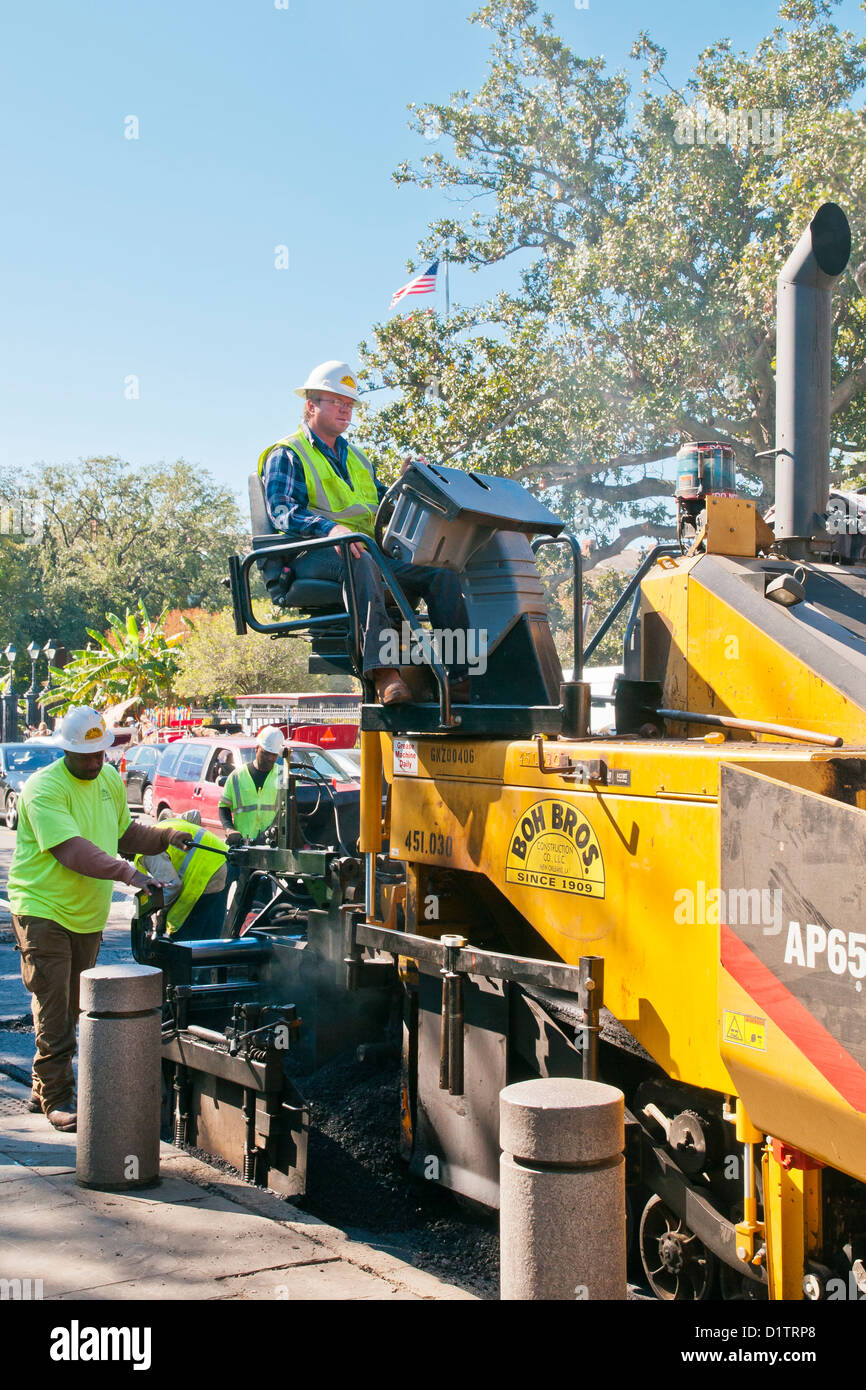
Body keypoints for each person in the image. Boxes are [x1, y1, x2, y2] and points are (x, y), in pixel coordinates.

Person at [7, 706, 193, 1132]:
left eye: (100, 754)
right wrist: (131, 874)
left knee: (74, 1005)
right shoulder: (43, 788)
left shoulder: (108, 778)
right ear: (67, 750)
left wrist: (166, 835)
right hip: (42, 909)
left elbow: (124, 834)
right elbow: (72, 850)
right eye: (86, 756)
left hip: (87, 914)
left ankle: (42, 1086)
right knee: (56, 1008)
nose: (95, 762)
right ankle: (56, 1098)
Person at [259, 360, 470, 705]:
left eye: (349, 403)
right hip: (311, 555)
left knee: (440, 574)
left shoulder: (357, 458)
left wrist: (407, 483)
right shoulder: (288, 453)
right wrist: (330, 530)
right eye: (336, 401)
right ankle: (384, 671)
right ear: (311, 406)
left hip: (364, 548)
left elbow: (383, 504)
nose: (346, 409)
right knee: (358, 555)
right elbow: (283, 512)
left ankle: (460, 676)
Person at [134, 810, 230, 940]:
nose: (122, 857)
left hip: (208, 872)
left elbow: (172, 886)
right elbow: (193, 815)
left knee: (187, 939)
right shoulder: (158, 828)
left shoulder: (146, 850)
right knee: (209, 935)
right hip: (221, 859)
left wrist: (155, 913)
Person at [218, 725, 284, 845]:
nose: (270, 758)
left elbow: (293, 810)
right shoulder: (237, 776)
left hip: (273, 846)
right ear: (257, 748)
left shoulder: (283, 776)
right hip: (244, 846)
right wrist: (229, 829)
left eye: (274, 755)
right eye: (266, 753)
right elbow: (224, 807)